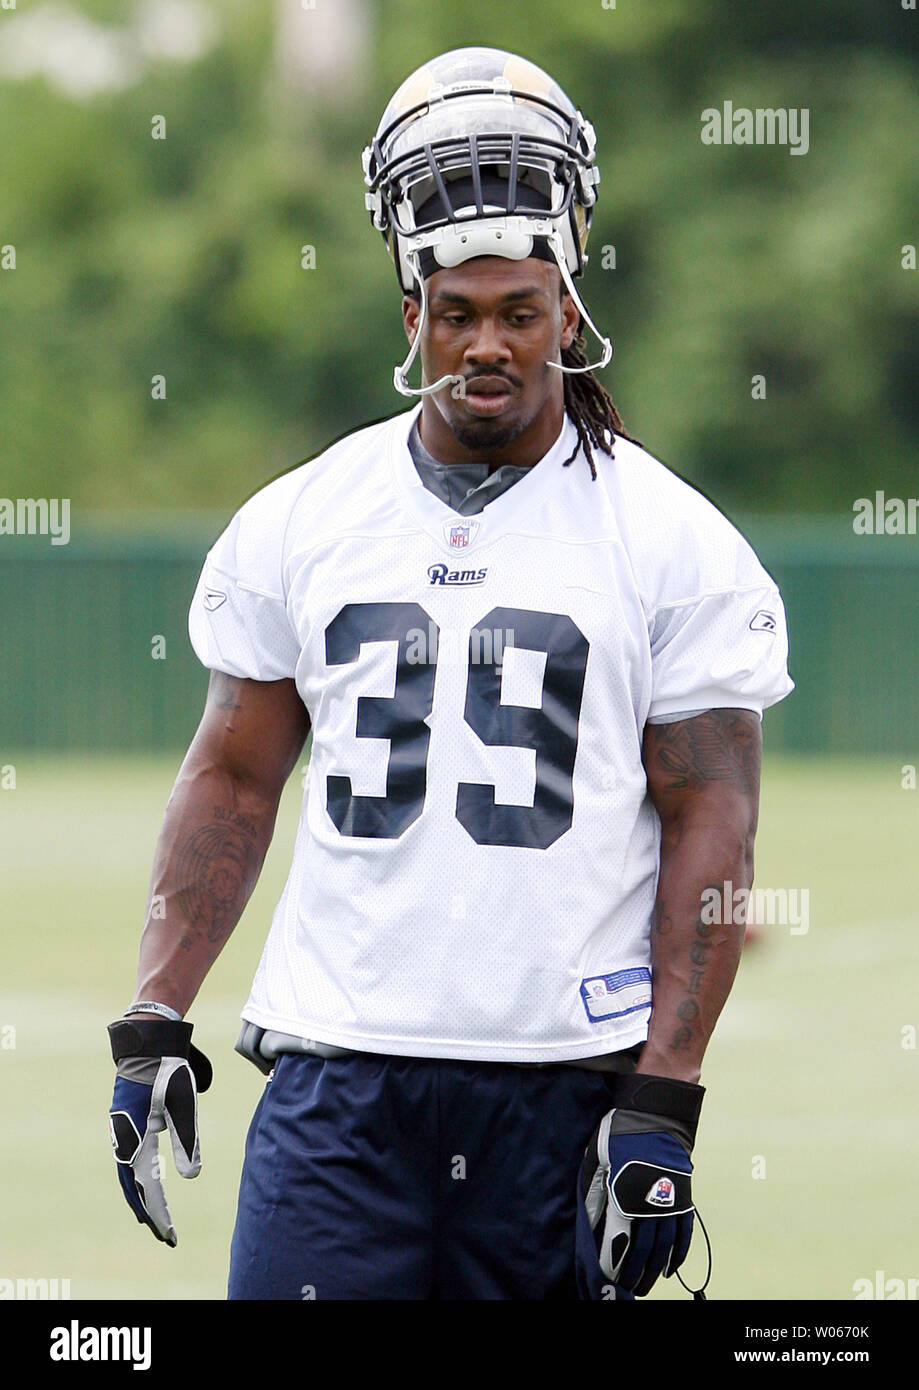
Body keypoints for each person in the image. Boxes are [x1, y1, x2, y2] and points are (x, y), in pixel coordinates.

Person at [108, 47, 793, 1301]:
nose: (486, 345)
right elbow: (235, 777)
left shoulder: (671, 539)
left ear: (569, 311)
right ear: (409, 313)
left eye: (517, 312)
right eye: (456, 312)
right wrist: (156, 1012)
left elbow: (715, 820)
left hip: (560, 1083)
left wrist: (665, 1095)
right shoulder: (303, 518)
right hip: (336, 1083)